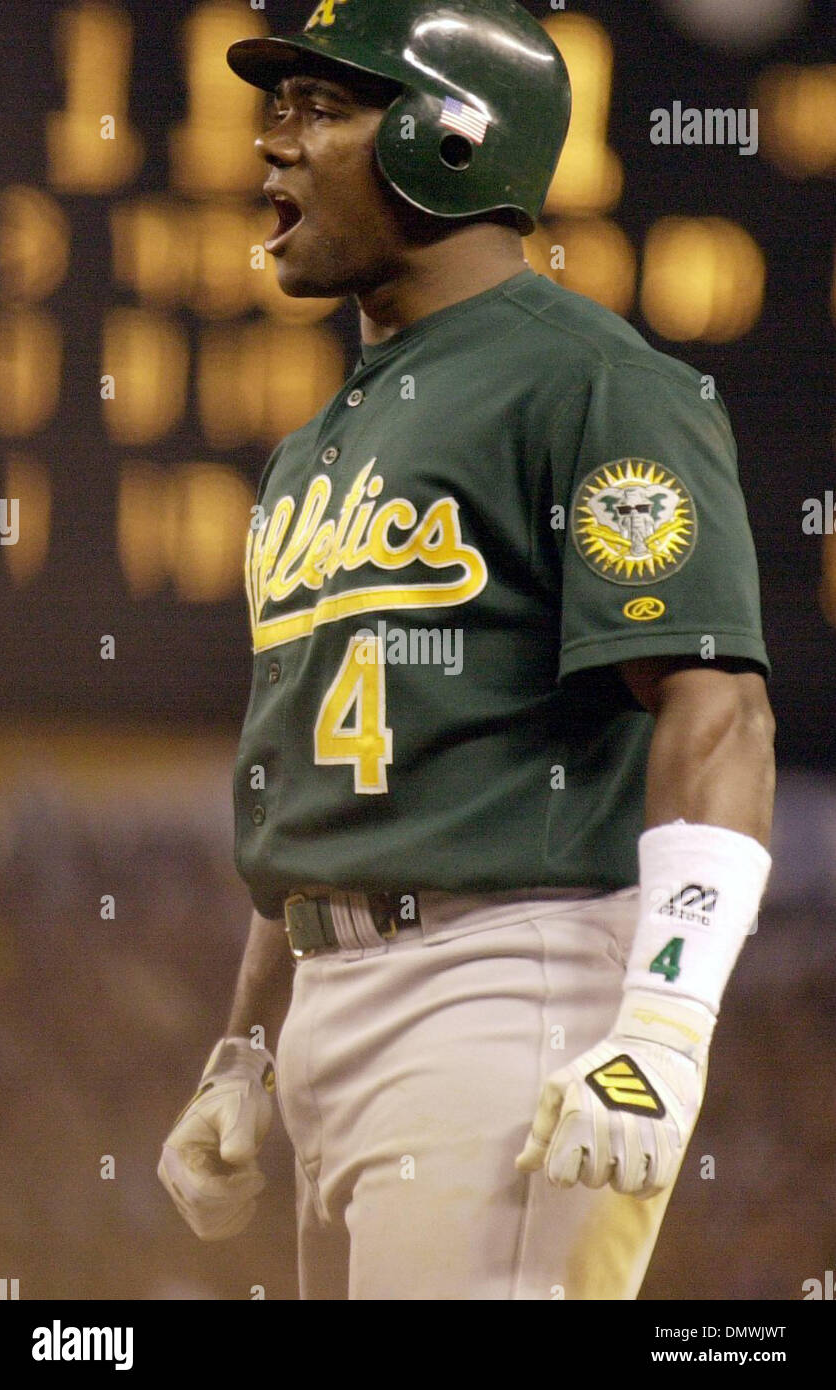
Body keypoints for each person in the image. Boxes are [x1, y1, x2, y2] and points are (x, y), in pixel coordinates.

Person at [158, 0, 775, 1300]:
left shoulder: (590, 381)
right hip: (338, 1003)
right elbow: (324, 797)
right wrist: (244, 1051)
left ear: (447, 135)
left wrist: (663, 1023)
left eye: (317, 109)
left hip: (508, 986)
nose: (267, 146)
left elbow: (716, 713)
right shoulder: (312, 445)